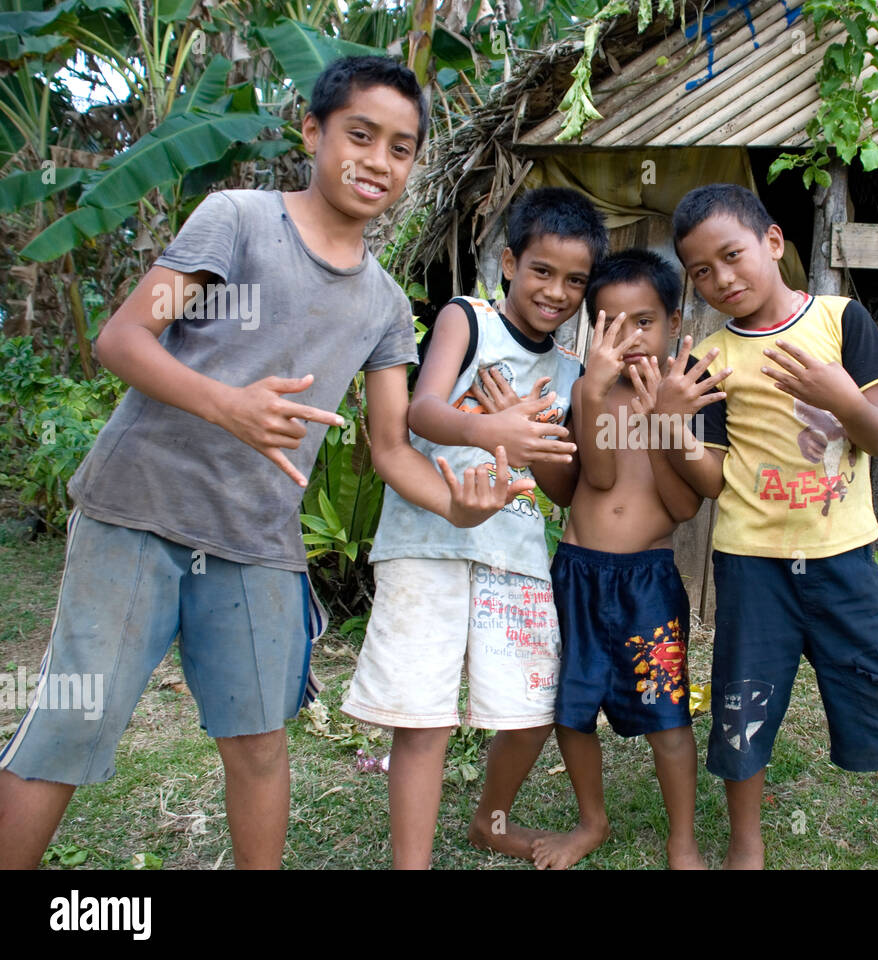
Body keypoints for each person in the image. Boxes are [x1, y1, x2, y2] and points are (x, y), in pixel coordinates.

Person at [0, 56, 526, 870]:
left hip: (256, 542)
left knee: (257, 741)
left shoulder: (386, 305)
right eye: (359, 135)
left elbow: (390, 447)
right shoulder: (237, 221)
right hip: (138, 509)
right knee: (72, 721)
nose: (377, 161)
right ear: (313, 133)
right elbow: (122, 339)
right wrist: (228, 404)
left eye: (400, 147)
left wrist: (460, 505)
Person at [655, 183, 878, 870]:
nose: (721, 278)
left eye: (732, 255)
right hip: (749, 561)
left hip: (840, 557)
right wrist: (672, 423)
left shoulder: (840, 319)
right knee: (743, 702)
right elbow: (709, 482)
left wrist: (838, 397)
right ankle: (747, 846)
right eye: (701, 271)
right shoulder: (709, 357)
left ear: (773, 243)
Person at [340, 186, 606, 869]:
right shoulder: (469, 319)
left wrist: (533, 437)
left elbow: (566, 486)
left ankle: (490, 821)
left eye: (575, 280)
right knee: (423, 718)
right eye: (542, 270)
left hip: (512, 553)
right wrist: (490, 427)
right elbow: (421, 413)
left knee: (532, 708)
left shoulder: (572, 375)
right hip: (427, 540)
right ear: (510, 262)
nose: (556, 291)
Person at [531, 249, 710, 870]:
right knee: (572, 710)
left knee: (667, 714)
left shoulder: (687, 397)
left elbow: (683, 505)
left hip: (648, 583)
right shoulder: (590, 391)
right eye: (611, 323)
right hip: (577, 574)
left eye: (644, 322)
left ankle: (681, 838)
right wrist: (588, 391)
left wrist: (664, 423)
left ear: (673, 322)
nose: (630, 339)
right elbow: (599, 478)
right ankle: (591, 821)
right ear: (590, 329)